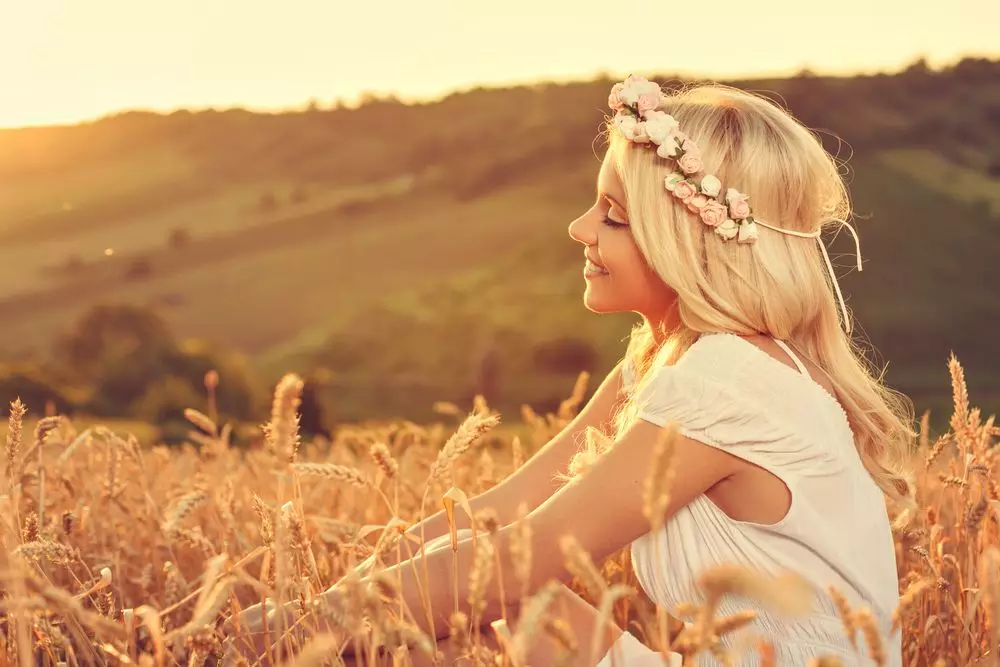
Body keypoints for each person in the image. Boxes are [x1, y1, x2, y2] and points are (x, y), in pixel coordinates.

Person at [224, 75, 913, 666]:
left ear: (690, 243)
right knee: (465, 592)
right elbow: (498, 514)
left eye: (614, 216)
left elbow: (523, 555)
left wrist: (299, 630)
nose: (580, 229)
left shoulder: (730, 380)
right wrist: (321, 605)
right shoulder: (663, 361)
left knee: (502, 589)